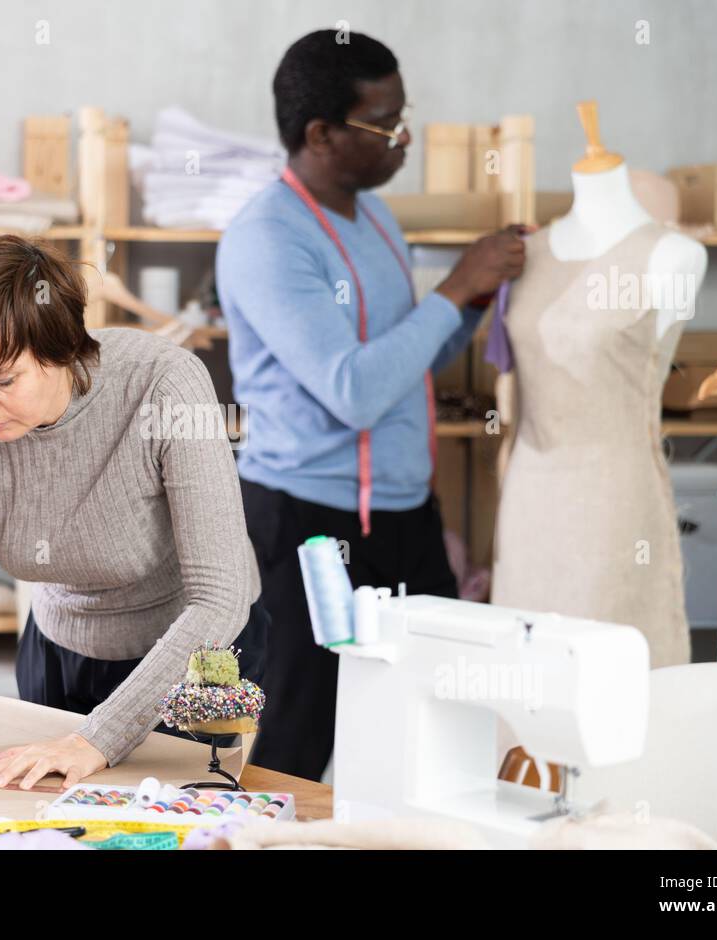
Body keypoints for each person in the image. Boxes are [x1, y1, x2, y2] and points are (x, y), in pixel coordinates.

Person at [216, 28, 527, 781]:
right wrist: (455, 287)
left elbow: (410, 365)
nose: (404, 136)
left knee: (437, 714)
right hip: (304, 523)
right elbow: (353, 390)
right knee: (296, 734)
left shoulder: (375, 218)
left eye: (403, 113)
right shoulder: (267, 237)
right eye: (383, 122)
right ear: (321, 134)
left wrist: (472, 301)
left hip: (401, 515)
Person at [0, 235, 266, 790]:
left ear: (64, 348)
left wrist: (98, 738)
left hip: (197, 657)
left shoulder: (164, 384)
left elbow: (220, 596)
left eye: (3, 379)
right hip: (58, 653)